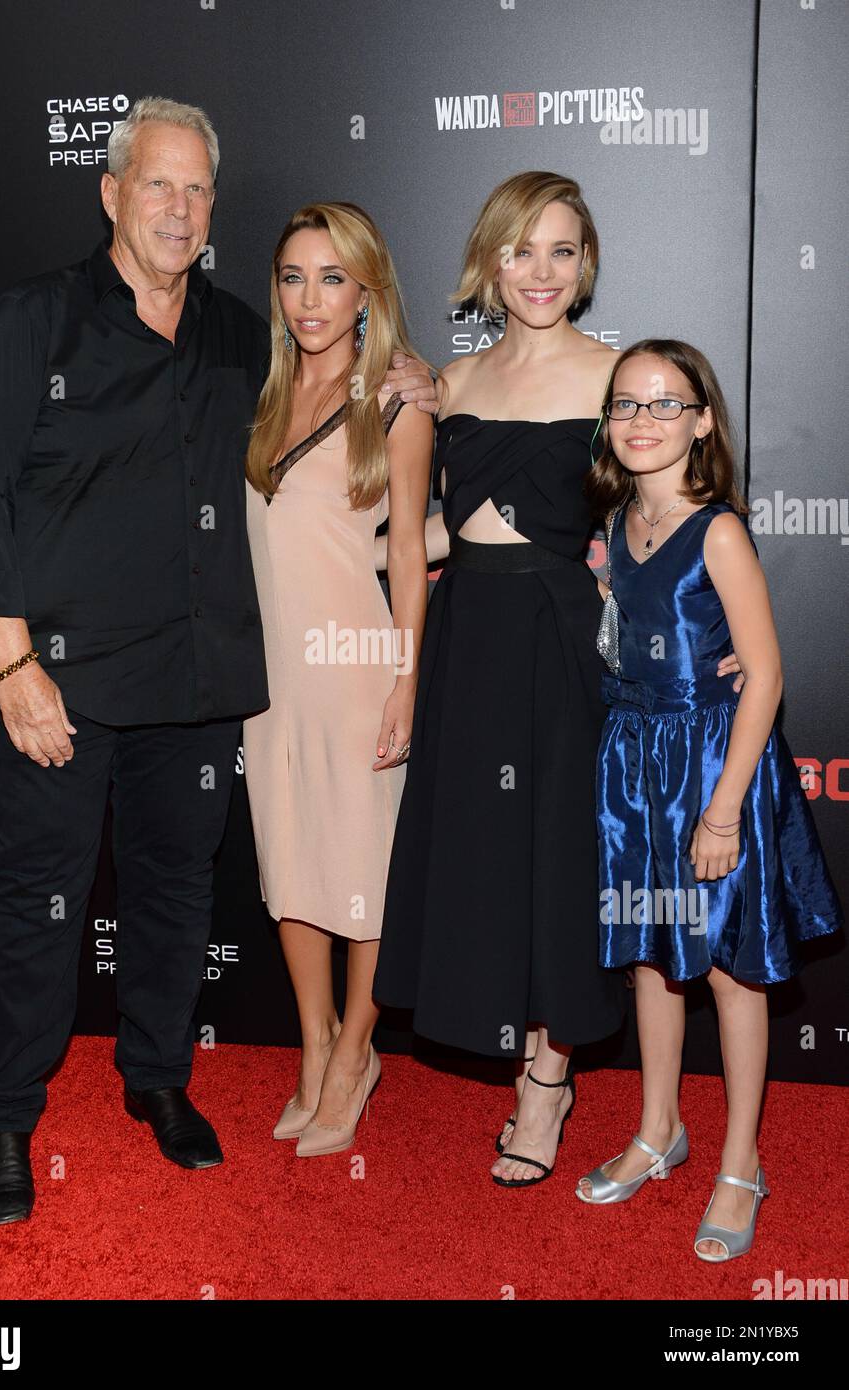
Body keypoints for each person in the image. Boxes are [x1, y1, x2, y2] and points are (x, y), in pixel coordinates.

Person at [0, 96, 435, 1225]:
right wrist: (13, 667)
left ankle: (157, 1079)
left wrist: (427, 384)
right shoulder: (34, 320)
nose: (175, 206)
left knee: (172, 894)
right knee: (38, 898)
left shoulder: (234, 335)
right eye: (154, 183)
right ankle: (7, 1114)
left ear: (213, 208)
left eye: (195, 188)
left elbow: (345, 394)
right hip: (53, 682)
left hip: (197, 684)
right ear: (110, 193)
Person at [373, 171, 637, 1187]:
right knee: (483, 843)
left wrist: (712, 623)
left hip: (560, 636)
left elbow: (652, 520)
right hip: (469, 630)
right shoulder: (455, 379)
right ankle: (494, 1020)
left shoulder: (616, 376)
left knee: (557, 848)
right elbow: (442, 526)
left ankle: (547, 1075)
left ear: (585, 266)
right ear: (490, 261)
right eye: (520, 250)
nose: (539, 271)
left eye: (561, 251)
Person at [576, 339, 843, 1261]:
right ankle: (659, 1130)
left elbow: (764, 677)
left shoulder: (718, 529)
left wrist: (725, 810)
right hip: (635, 767)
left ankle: (740, 1162)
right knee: (651, 955)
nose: (642, 420)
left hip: (715, 767)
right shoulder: (611, 524)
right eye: (625, 404)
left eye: (664, 403)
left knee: (730, 970)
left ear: (701, 421)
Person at [243, 203, 434, 1156]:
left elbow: (407, 550)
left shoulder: (396, 402)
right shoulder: (264, 394)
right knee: (291, 868)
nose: (309, 298)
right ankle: (312, 1043)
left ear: (366, 293)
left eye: (331, 278)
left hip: (355, 663)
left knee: (361, 872)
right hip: (267, 676)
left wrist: (402, 679)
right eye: (292, 276)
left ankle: (359, 1048)